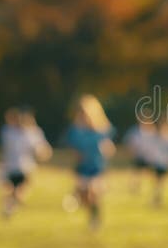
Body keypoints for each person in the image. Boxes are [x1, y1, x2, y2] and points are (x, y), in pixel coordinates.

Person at [65, 94, 115, 230]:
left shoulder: (102, 129)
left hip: (96, 167)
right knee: (85, 196)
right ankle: (91, 211)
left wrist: (107, 149)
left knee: (93, 191)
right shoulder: (76, 131)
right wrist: (77, 155)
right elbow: (72, 147)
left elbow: (109, 146)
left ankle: (95, 217)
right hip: (82, 167)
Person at [0, 107, 52, 218]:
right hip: (11, 168)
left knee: (19, 193)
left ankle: (10, 208)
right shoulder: (9, 132)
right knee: (11, 191)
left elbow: (43, 149)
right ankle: (10, 207)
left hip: (26, 169)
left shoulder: (34, 133)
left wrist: (42, 152)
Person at [124, 119, 159, 194]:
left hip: (149, 157)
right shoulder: (134, 131)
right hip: (138, 156)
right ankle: (134, 188)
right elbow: (129, 143)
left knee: (152, 174)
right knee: (136, 173)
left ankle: (155, 189)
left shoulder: (153, 131)